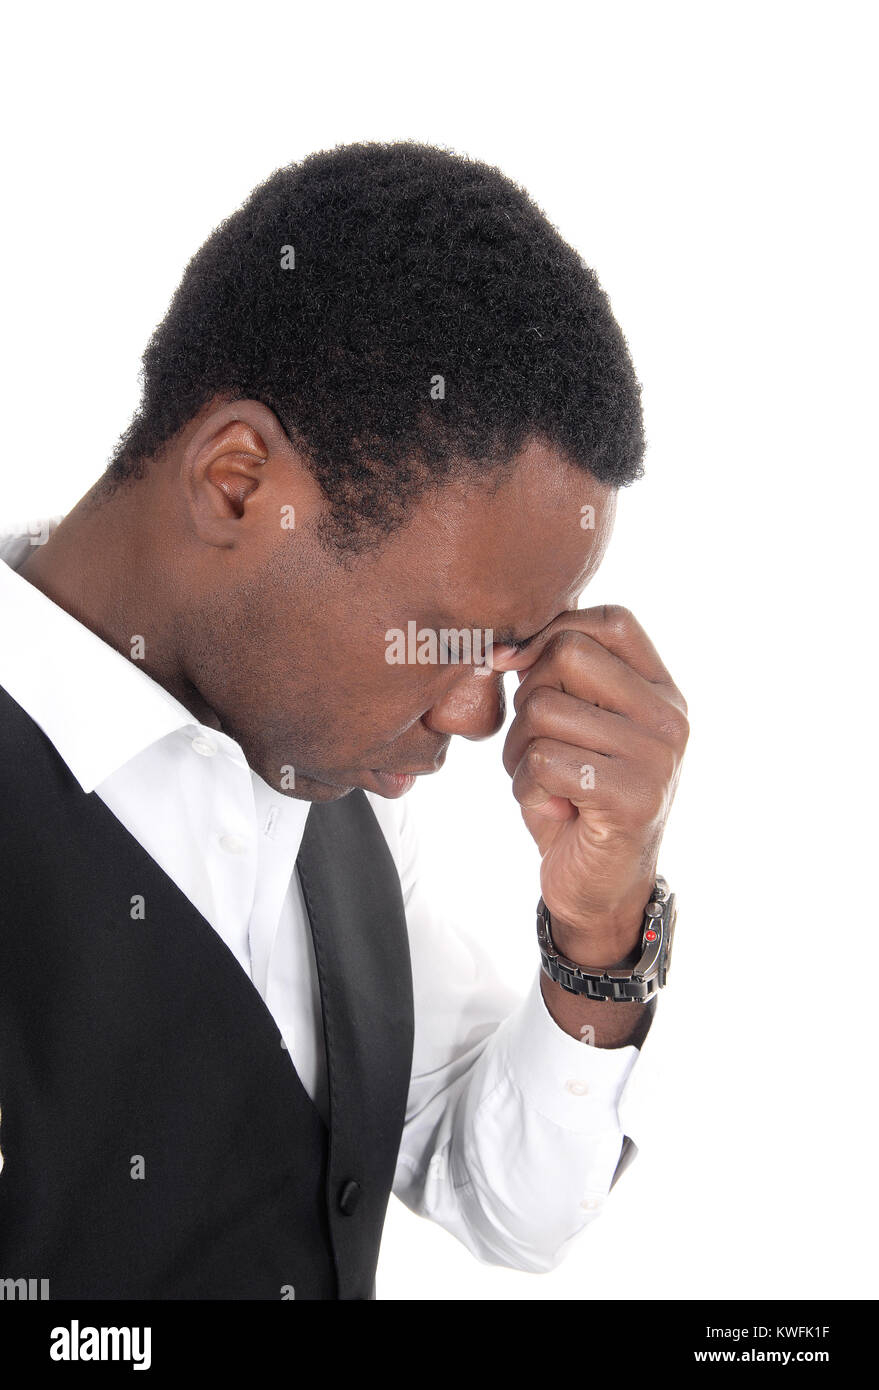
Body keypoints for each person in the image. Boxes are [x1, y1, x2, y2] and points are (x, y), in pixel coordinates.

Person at [0, 141, 688, 1300]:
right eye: (448, 639)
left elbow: (491, 1192)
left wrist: (599, 933)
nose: (479, 715)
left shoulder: (333, 782)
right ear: (235, 483)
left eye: (513, 652)